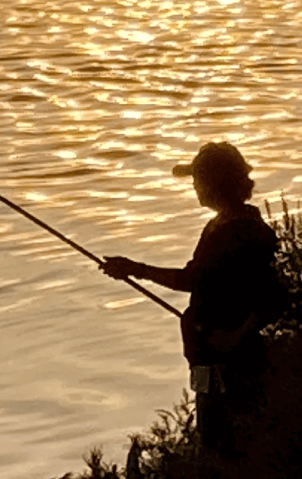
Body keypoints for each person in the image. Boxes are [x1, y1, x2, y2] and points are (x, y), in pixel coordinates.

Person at [100, 142, 282, 457]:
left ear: (216, 182)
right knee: (222, 446)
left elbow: (268, 295)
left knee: (226, 452)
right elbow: (200, 278)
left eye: (198, 178)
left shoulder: (239, 231)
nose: (194, 185)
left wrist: (135, 269)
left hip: (230, 365)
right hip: (210, 361)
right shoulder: (223, 225)